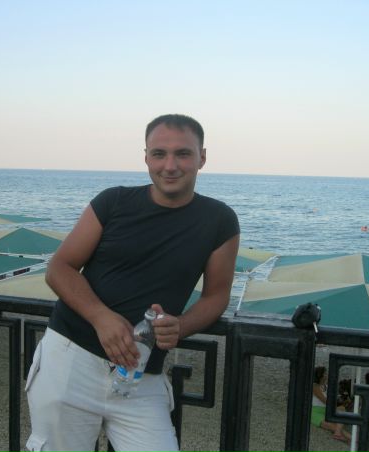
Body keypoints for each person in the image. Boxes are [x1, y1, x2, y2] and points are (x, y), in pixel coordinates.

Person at [24, 114, 240, 452]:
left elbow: (216, 295)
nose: (170, 165)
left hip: (142, 375)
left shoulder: (220, 220)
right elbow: (59, 268)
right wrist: (101, 317)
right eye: (159, 154)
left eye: (183, 153)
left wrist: (181, 327)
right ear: (146, 157)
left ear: (202, 158)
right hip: (71, 361)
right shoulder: (113, 202)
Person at [312, 366, 352, 444]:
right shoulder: (315, 386)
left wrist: (342, 399)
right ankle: (352, 439)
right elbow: (325, 401)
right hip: (316, 412)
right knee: (334, 426)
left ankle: (344, 436)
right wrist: (338, 401)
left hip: (326, 410)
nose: (327, 375)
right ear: (321, 375)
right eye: (325, 373)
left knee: (342, 409)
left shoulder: (326, 386)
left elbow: (332, 400)